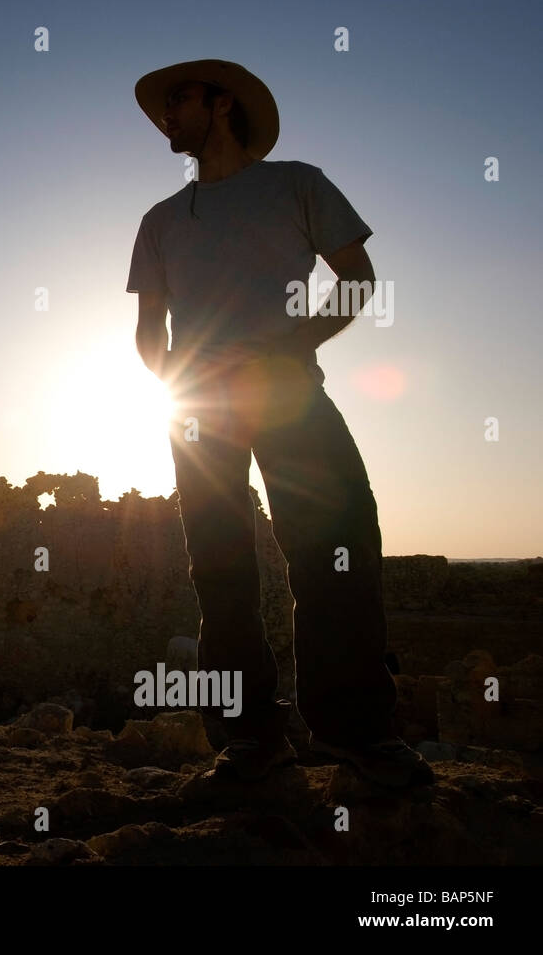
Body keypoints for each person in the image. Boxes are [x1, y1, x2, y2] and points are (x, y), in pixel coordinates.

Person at [125, 59, 433, 787]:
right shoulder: (161, 220)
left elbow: (356, 277)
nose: (169, 116)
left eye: (182, 101)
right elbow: (146, 327)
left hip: (288, 389)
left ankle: (356, 733)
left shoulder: (296, 182)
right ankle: (251, 742)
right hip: (199, 409)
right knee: (220, 569)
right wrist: (175, 377)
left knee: (339, 547)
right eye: (165, 106)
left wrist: (292, 344)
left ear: (223, 104)